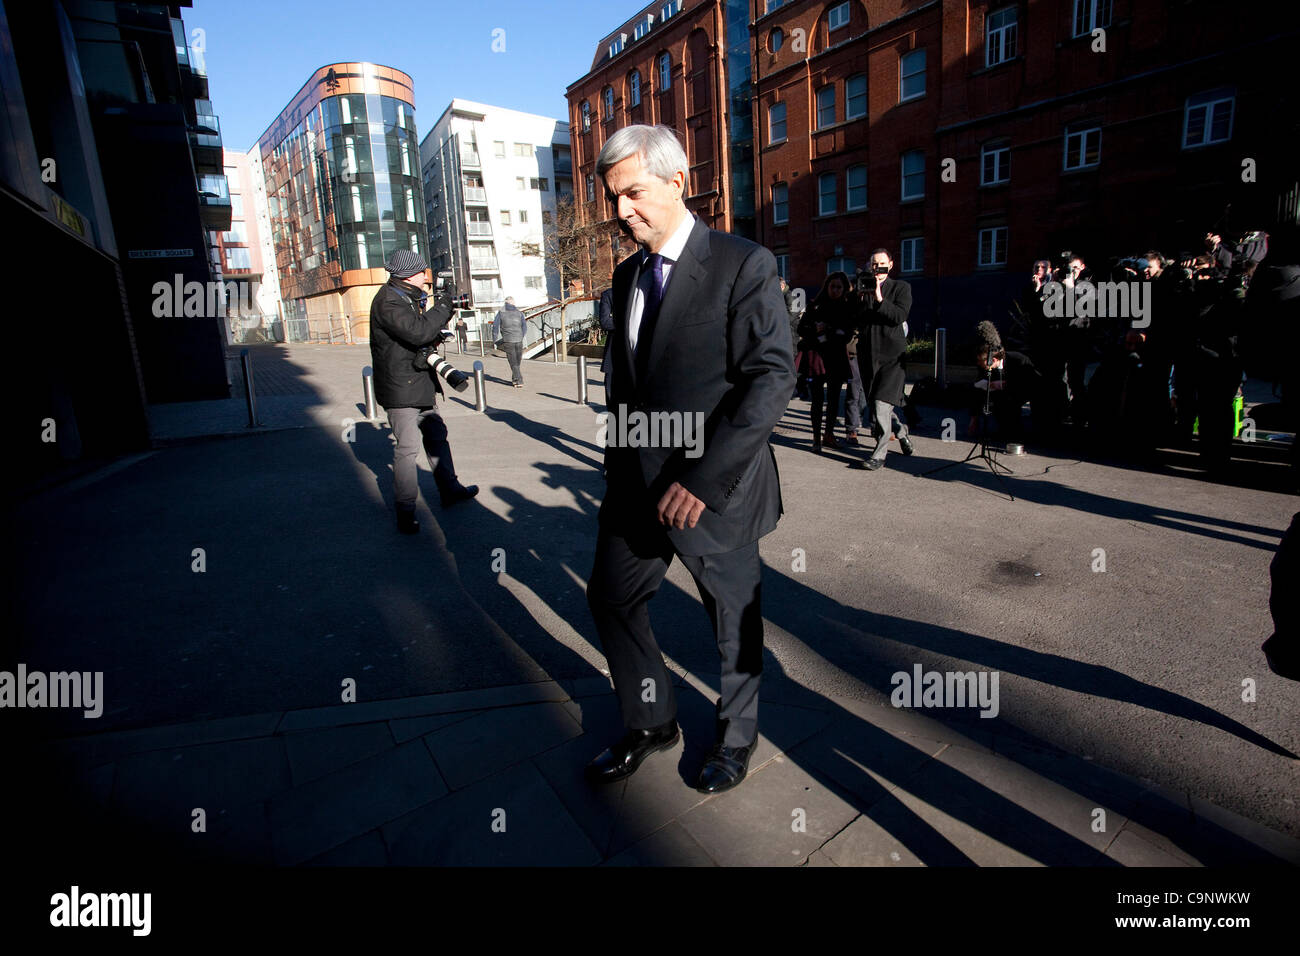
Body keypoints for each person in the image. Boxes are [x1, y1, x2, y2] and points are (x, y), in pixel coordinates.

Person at [584, 124, 794, 795]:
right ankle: (652, 721)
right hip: (634, 485)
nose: (621, 212)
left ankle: (736, 738)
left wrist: (702, 479)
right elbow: (629, 379)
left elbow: (771, 378)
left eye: (634, 193)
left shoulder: (743, 264)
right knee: (612, 598)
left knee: (733, 623)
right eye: (614, 198)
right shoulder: (625, 277)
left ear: (677, 182)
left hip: (715, 490)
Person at [368, 250, 479, 533]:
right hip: (400, 388)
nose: (426, 277)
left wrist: (436, 331)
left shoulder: (403, 295)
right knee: (407, 449)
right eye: (422, 272)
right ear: (409, 274)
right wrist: (446, 305)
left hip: (417, 382)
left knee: (437, 438)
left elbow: (418, 333)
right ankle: (406, 511)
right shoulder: (388, 301)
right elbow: (417, 333)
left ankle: (450, 489)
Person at [853, 248, 914, 471]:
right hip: (869, 356)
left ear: (890, 264)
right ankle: (901, 431)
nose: (876, 268)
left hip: (892, 357)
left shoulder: (901, 288)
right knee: (880, 406)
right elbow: (856, 320)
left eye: (881, 264)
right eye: (873, 264)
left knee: (881, 404)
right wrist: (859, 299)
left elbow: (899, 316)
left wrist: (879, 298)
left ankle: (878, 457)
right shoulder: (862, 288)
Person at [797, 272, 854, 451]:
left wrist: (830, 329)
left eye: (839, 287)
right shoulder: (815, 306)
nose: (835, 290)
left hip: (835, 357)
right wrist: (815, 328)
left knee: (834, 398)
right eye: (832, 286)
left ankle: (828, 434)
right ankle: (816, 438)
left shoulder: (846, 308)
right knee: (817, 399)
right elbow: (801, 328)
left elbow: (847, 334)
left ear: (844, 289)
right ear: (826, 286)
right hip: (817, 358)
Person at [969, 320, 1041, 443]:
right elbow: (977, 391)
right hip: (1001, 393)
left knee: (1009, 401)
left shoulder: (1018, 360)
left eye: (982, 362)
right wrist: (974, 418)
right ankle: (1004, 430)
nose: (979, 365)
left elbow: (1033, 382)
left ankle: (1016, 432)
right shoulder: (985, 367)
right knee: (993, 396)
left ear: (994, 359)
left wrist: (1006, 384)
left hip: (1020, 390)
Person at [493, 296, 528, 387]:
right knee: (517, 361)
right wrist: (521, 335)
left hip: (508, 340)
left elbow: (495, 326)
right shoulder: (519, 313)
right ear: (513, 303)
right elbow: (524, 326)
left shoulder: (501, 312)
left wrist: (494, 339)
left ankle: (519, 380)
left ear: (506, 303)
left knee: (513, 361)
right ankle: (515, 379)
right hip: (519, 340)